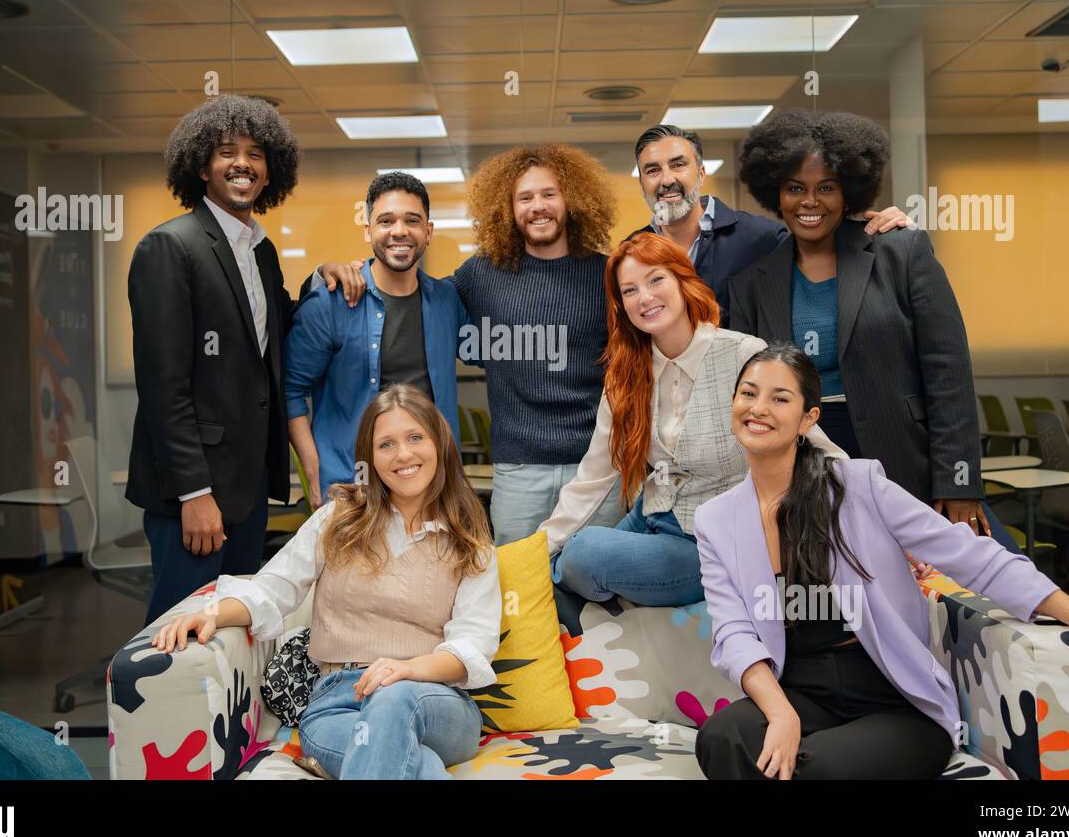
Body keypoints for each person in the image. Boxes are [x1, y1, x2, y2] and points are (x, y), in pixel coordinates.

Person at [694, 343, 1069, 779]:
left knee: (820, 770)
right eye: (748, 393)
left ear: (806, 419)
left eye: (779, 399)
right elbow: (733, 632)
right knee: (722, 739)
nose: (758, 408)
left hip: (891, 695)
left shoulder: (858, 485)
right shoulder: (716, 519)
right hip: (797, 688)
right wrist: (780, 712)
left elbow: (978, 560)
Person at [152, 384, 500, 781]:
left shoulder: (468, 542)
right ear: (370, 458)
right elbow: (273, 588)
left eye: (415, 438)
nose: (403, 454)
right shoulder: (337, 520)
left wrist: (407, 671)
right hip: (338, 703)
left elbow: (473, 644)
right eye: (386, 444)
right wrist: (211, 612)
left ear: (439, 444)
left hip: (434, 703)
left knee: (394, 700)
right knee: (414, 764)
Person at [727, 108, 1017, 552]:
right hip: (804, 462)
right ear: (775, 195)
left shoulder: (901, 251)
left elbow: (948, 370)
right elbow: (749, 397)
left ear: (849, 193)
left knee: (983, 582)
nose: (810, 202)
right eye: (794, 188)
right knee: (849, 594)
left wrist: (959, 483)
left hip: (904, 454)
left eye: (826, 187)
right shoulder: (751, 285)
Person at [315, 145, 628, 545]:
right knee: (515, 586)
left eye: (550, 194)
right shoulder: (481, 275)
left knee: (595, 580)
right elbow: (409, 291)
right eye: (525, 197)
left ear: (573, 200)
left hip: (598, 465)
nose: (538, 206)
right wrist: (327, 271)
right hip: (518, 470)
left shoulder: (607, 275)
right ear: (508, 208)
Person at [538, 234, 844, 607]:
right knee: (556, 565)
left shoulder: (744, 354)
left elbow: (817, 446)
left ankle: (634, 595)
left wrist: (885, 523)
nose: (645, 297)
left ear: (683, 282)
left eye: (656, 280)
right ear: (621, 305)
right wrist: (535, 549)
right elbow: (595, 474)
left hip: (717, 540)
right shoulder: (626, 373)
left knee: (584, 553)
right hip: (651, 514)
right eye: (630, 290)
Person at [127, 95, 300, 624]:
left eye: (255, 153)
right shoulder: (170, 248)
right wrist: (194, 494)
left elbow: (273, 336)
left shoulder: (261, 251)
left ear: (271, 170)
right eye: (227, 152)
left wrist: (328, 279)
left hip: (246, 493)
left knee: (228, 637)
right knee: (178, 638)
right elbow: (163, 387)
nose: (242, 163)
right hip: (196, 496)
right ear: (201, 165)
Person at [283, 171, 467, 505]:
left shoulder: (447, 301)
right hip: (352, 486)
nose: (399, 230)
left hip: (434, 484)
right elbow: (290, 390)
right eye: (386, 221)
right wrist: (313, 473)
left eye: (412, 220)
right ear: (368, 231)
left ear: (428, 232)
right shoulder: (331, 303)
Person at [626, 123, 910, 325]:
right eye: (652, 170)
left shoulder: (761, 238)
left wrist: (881, 231)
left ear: (700, 174)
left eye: (678, 165)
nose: (666, 180)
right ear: (642, 184)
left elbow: (825, 255)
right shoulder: (631, 253)